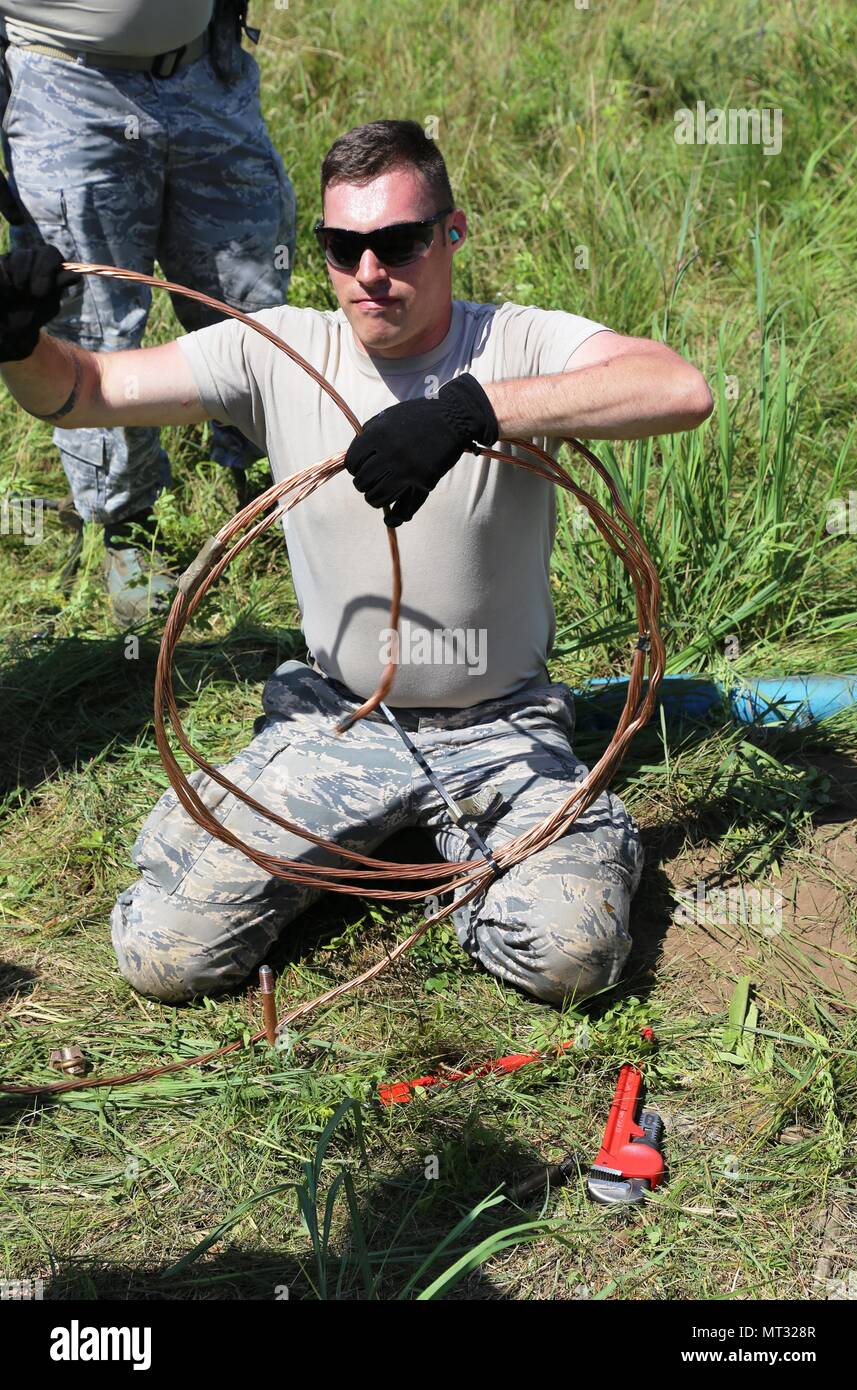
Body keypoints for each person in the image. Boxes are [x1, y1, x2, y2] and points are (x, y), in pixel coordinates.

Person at [0, 119, 713, 1007]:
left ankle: (439, 859)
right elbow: (85, 392)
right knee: (165, 958)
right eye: (345, 247)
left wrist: (467, 413)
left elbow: (679, 388)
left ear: (451, 233)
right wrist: (21, 345)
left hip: (501, 727)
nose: (371, 272)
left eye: (400, 242)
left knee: (572, 959)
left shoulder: (517, 343)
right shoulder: (278, 350)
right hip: (341, 723)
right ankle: (361, 836)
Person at [0, 0, 296, 623]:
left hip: (203, 71)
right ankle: (129, 531)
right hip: (65, 85)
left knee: (250, 298)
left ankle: (274, 483)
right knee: (96, 328)